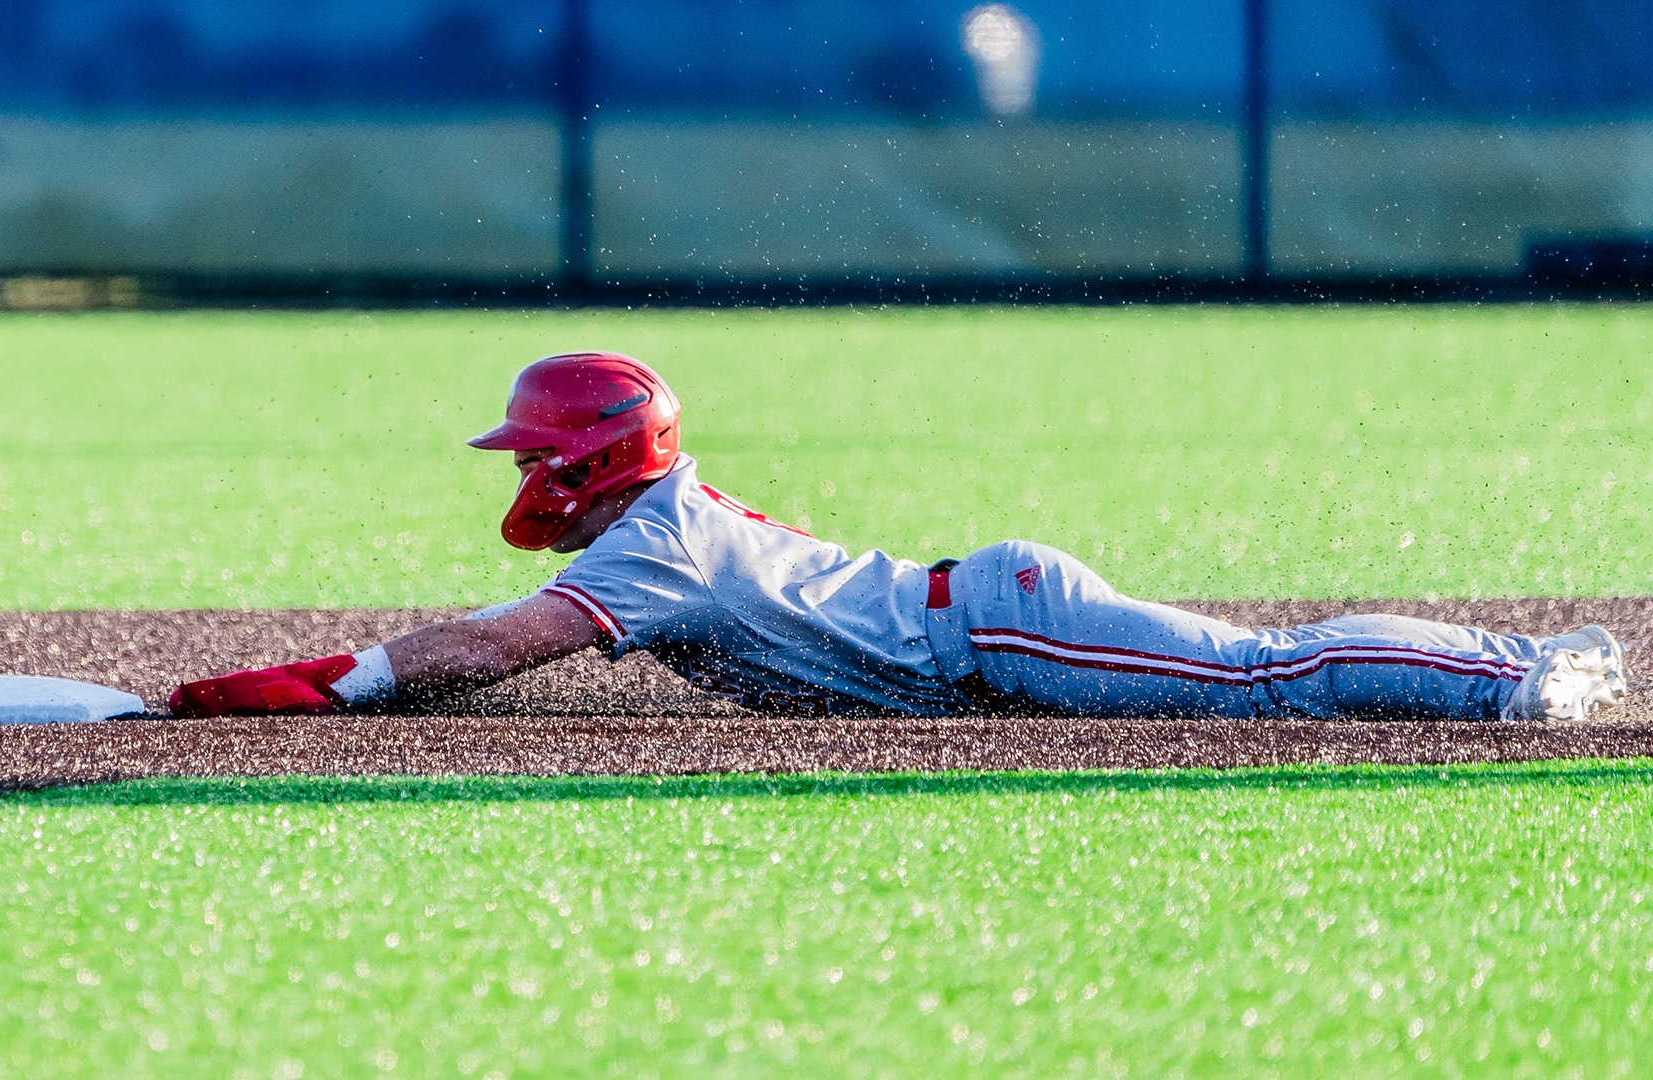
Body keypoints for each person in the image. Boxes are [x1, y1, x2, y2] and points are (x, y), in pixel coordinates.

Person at [170, 352, 1629, 724]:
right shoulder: (655, 523)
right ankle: (1506, 666)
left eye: (544, 448)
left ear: (597, 456)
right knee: (1256, 670)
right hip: (980, 616)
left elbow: (504, 644)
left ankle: (1513, 676)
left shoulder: (645, 546)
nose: (529, 471)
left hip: (992, 622)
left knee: (1261, 676)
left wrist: (339, 676)